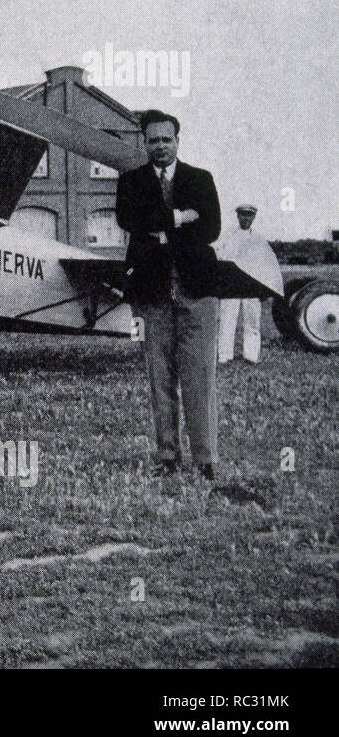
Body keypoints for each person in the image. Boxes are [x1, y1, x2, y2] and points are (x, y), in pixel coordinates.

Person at [116, 110, 222, 480]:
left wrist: (160, 229)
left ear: (178, 140)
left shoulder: (200, 179)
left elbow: (211, 228)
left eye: (166, 139)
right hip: (150, 292)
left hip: (198, 291)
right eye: (153, 140)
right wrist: (180, 219)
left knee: (199, 374)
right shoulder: (130, 182)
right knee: (158, 376)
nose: (160, 146)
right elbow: (129, 221)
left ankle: (205, 459)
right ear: (144, 143)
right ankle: (167, 457)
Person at [217, 204, 266, 364]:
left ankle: (251, 356)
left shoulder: (259, 239)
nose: (246, 218)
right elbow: (219, 257)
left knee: (252, 321)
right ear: (237, 216)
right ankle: (224, 355)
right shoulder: (227, 236)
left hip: (251, 286)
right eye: (243, 214)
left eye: (249, 215)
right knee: (227, 320)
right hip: (232, 285)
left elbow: (264, 264)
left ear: (254, 217)